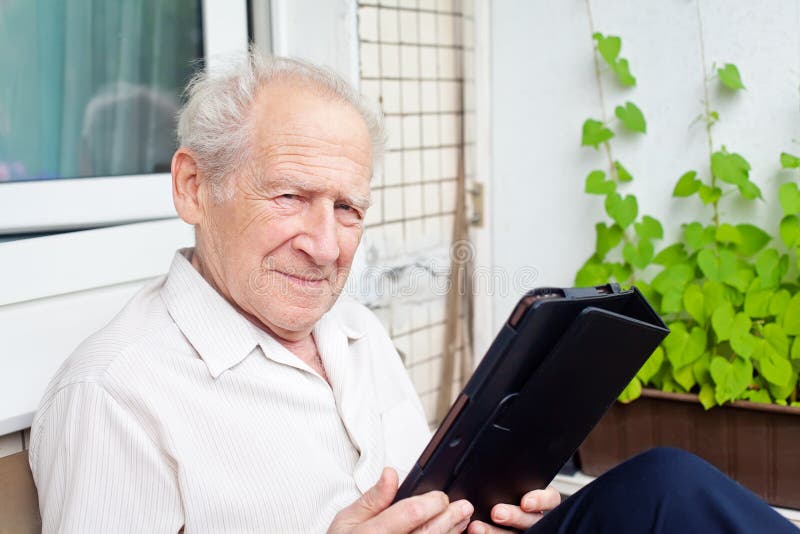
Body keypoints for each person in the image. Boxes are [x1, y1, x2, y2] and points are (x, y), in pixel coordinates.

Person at [28, 51, 798, 534]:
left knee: (665, 487)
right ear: (195, 188)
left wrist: (486, 512)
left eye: (348, 208)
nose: (326, 245)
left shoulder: (352, 329)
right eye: (291, 197)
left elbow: (426, 486)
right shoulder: (115, 394)